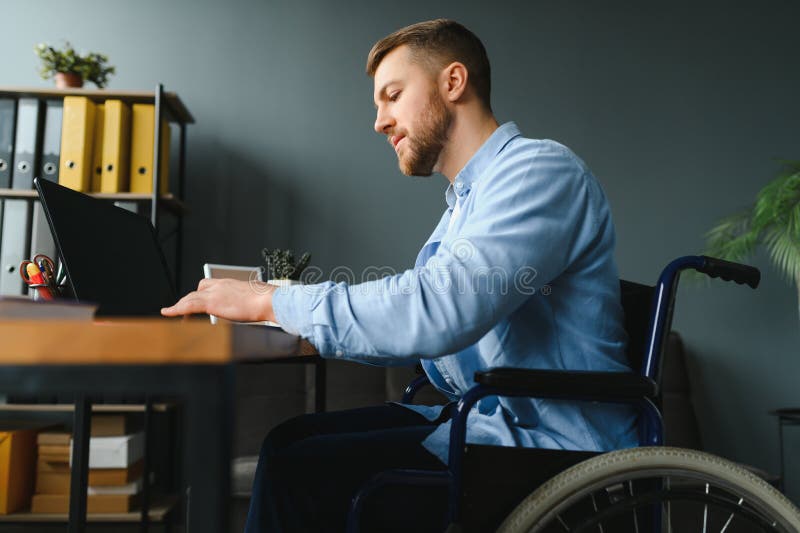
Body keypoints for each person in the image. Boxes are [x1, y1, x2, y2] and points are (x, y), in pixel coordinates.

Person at [162, 19, 638, 533]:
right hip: (488, 423)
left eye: (392, 96)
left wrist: (269, 301)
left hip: (557, 448)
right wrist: (295, 321)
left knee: (297, 470)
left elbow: (435, 312)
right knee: (286, 443)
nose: (379, 122)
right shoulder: (465, 205)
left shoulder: (538, 172)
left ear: (453, 83)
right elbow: (424, 321)